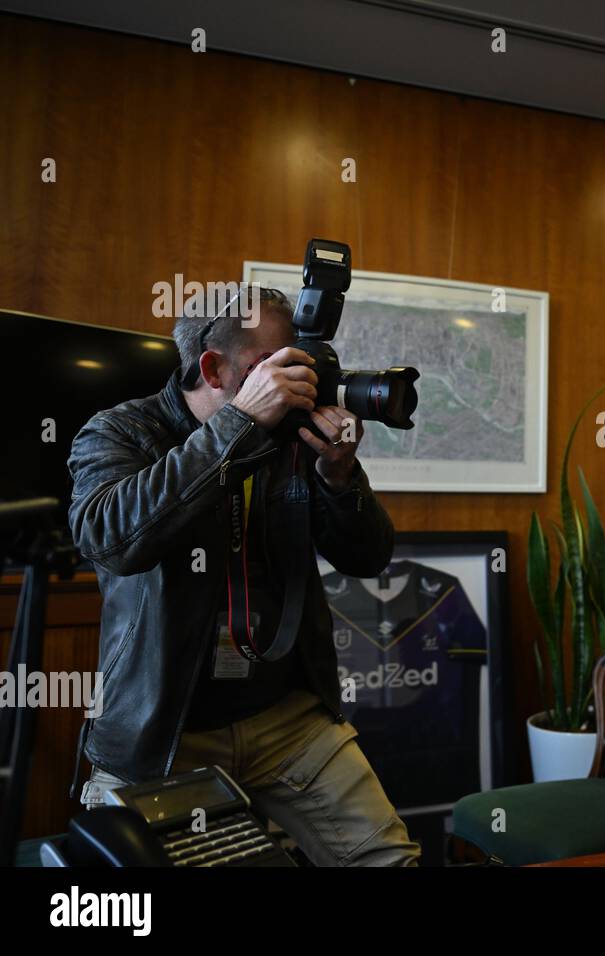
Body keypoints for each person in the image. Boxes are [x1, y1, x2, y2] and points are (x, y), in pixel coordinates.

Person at [66, 285, 420, 866]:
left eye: (298, 365)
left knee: (388, 859)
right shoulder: (120, 431)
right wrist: (236, 426)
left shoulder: (291, 435)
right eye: (274, 368)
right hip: (167, 730)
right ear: (212, 367)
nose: (296, 384)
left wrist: (338, 476)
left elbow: (368, 557)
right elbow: (110, 537)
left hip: (286, 717)